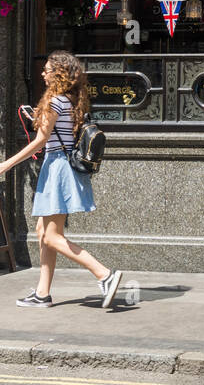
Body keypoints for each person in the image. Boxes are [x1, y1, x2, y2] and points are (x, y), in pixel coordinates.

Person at [0, 51, 123, 308]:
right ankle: (42, 293)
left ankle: (104, 274)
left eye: (47, 70)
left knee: (52, 236)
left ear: (58, 73)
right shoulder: (70, 100)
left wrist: (6, 164)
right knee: (43, 231)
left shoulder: (55, 101)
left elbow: (40, 142)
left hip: (57, 167)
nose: (43, 73)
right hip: (62, 167)